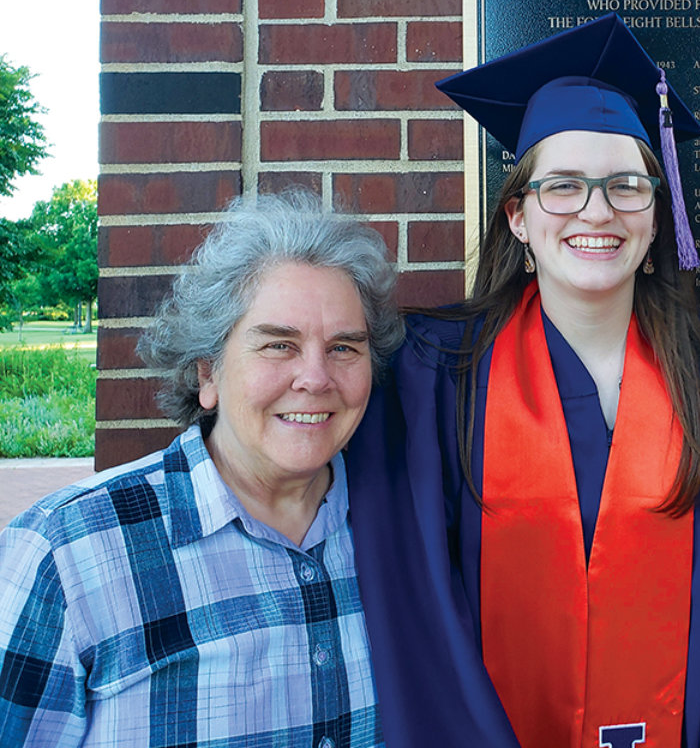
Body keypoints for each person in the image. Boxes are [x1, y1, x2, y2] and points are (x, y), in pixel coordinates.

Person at [346, 13, 700, 747]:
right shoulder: (429, 381)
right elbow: (412, 603)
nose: (597, 210)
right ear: (519, 218)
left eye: (627, 186)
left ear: (658, 216)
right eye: (562, 186)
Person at [0, 192, 402, 747]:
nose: (315, 378)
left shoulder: (407, 537)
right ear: (208, 372)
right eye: (278, 345)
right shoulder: (64, 557)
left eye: (344, 349)